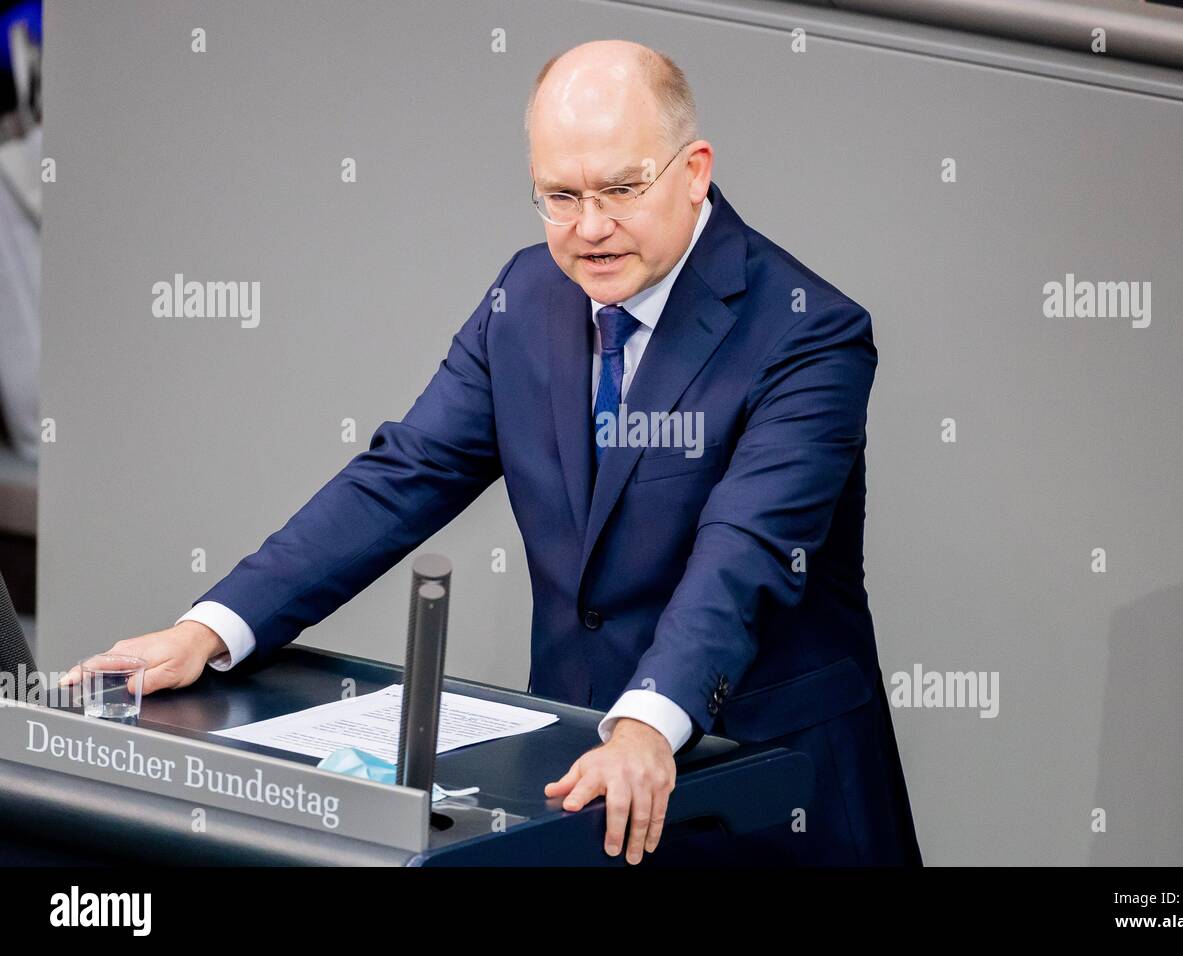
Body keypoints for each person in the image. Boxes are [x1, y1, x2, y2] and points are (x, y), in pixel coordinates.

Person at [62, 39, 921, 866]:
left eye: (620, 189)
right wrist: (207, 630)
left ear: (693, 171)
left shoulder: (809, 331)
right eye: (559, 196)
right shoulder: (529, 293)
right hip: (584, 786)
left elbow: (748, 551)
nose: (589, 229)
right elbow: (404, 474)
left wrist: (649, 721)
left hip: (769, 791)